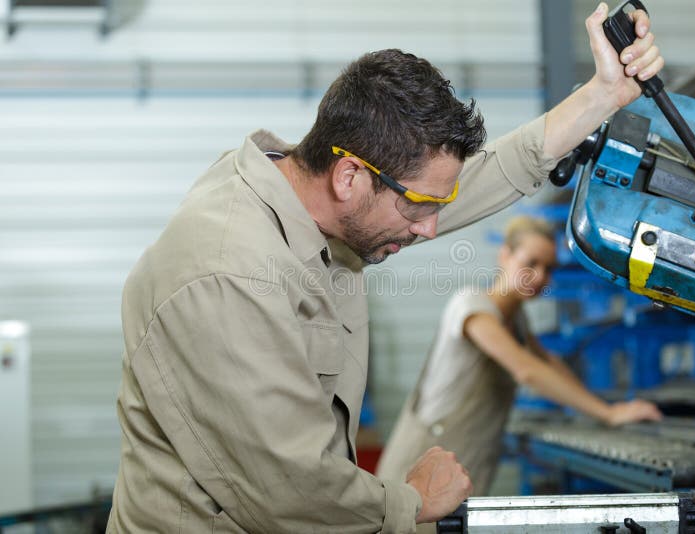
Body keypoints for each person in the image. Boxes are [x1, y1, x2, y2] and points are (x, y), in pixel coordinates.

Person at [107, 3, 664, 533]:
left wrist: (604, 95)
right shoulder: (231, 274)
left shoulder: (302, 198)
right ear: (349, 177)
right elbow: (290, 494)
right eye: (418, 209)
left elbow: (472, 180)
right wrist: (411, 499)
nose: (428, 230)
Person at [376, 216, 663, 503]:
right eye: (531, 263)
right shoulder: (472, 307)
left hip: (461, 465)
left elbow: (547, 362)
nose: (539, 277)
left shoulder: (517, 320)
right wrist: (608, 414)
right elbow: (526, 370)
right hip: (418, 473)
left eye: (548, 269)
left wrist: (606, 408)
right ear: (505, 255)